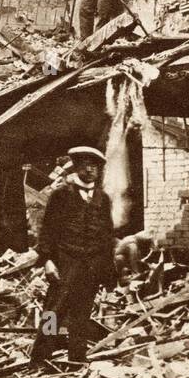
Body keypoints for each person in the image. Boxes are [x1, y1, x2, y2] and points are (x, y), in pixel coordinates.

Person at [30, 146, 117, 365]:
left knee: (81, 316)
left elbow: (107, 237)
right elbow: (48, 230)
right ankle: (41, 358)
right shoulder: (61, 195)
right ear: (76, 167)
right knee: (53, 312)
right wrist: (48, 261)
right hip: (65, 264)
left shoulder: (102, 199)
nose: (89, 170)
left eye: (94, 166)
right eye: (85, 165)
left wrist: (108, 271)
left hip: (90, 268)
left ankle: (77, 359)